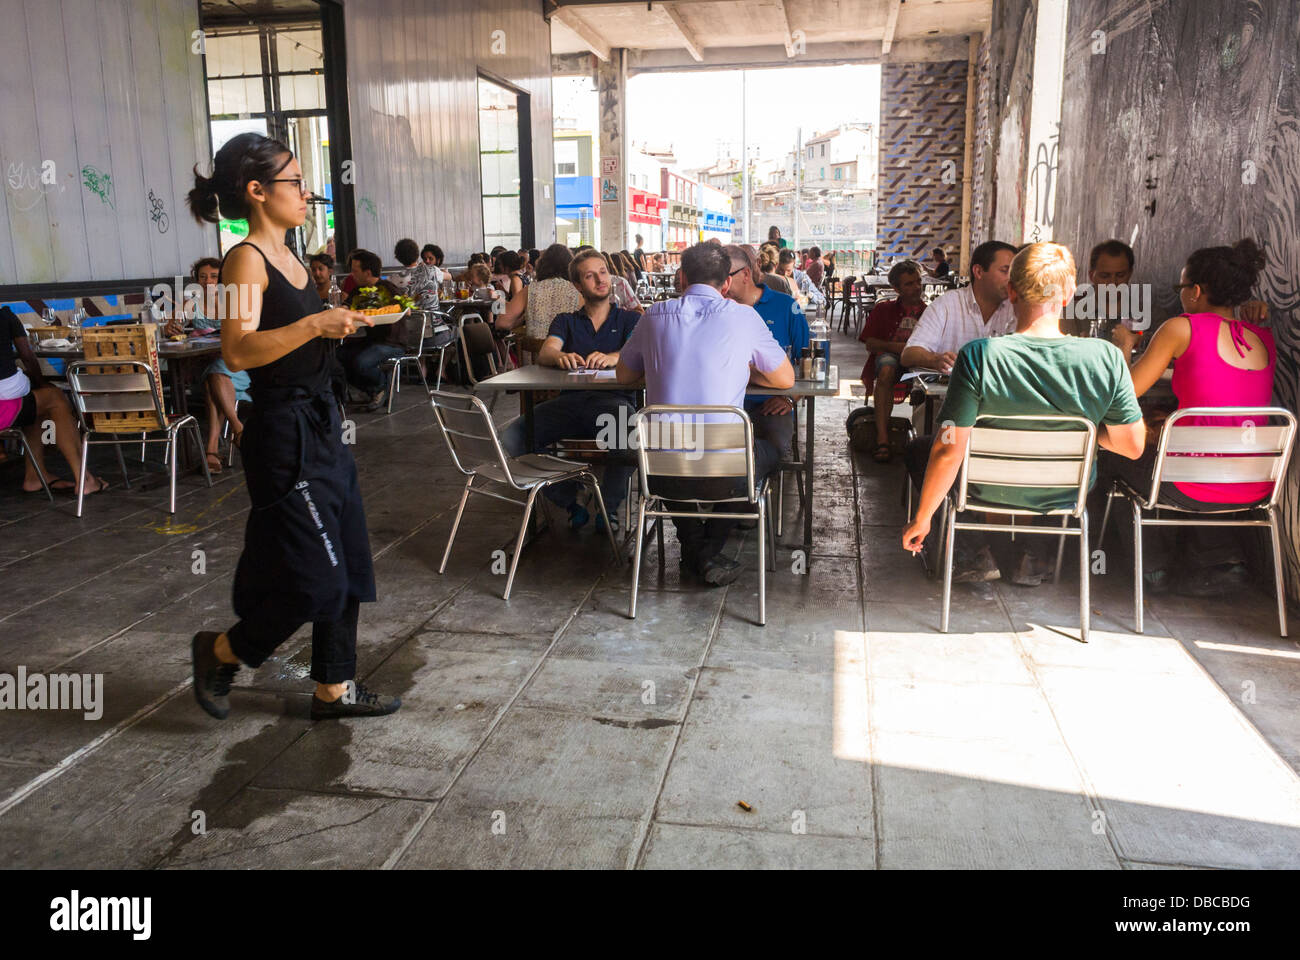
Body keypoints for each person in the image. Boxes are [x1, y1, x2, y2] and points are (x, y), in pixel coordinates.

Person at [186, 131, 399, 721]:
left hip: (324, 425)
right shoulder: (241, 261)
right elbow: (236, 350)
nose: (308, 194)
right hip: (282, 434)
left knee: (351, 562)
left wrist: (339, 325)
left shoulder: (295, 261)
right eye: (297, 183)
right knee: (319, 579)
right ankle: (223, 650)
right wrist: (313, 327)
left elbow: (299, 334)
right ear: (257, 191)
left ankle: (334, 688)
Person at [902, 242, 1145, 585]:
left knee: (919, 449)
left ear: (1011, 292)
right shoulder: (1106, 357)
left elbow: (948, 447)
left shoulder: (978, 356)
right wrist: (1088, 434)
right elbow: (1132, 447)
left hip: (985, 486)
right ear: (1069, 294)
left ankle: (973, 553)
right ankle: (1031, 556)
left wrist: (922, 517)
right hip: (1065, 491)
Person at [616, 242, 795, 585]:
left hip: (659, 472)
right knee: (770, 451)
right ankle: (706, 551)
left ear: (681, 278)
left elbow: (624, 375)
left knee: (670, 453)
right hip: (725, 474)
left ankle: (696, 548)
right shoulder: (744, 316)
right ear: (726, 284)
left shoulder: (654, 315)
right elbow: (785, 378)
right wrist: (748, 369)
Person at [1106, 238, 1276, 594]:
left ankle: (1151, 566)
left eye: (1181, 287)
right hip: (1254, 486)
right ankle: (1217, 558)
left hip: (1192, 485)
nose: (1180, 295)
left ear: (1196, 291)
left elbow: (1124, 395)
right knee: (1177, 447)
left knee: (1112, 452)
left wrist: (1123, 348)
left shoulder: (1180, 328)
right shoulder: (1262, 336)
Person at [500, 249, 640, 532]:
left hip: (613, 403)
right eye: (590, 276)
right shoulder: (566, 320)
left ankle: (608, 508)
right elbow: (548, 351)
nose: (600, 280)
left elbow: (637, 352)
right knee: (513, 438)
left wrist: (615, 356)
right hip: (570, 404)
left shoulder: (629, 320)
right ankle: (571, 500)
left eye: (603, 272)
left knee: (627, 435)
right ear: (577, 285)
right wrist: (558, 356)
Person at [0, 305, 105, 495]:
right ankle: (85, 478)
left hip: (12, 405)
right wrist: (41, 382)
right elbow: (27, 356)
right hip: (4, 409)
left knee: (36, 402)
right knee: (54, 398)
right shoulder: (4, 315)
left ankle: (35, 476)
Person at [724, 244, 809, 462]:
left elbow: (808, 361)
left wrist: (790, 398)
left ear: (746, 274)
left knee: (776, 447)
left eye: (725, 276)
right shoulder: (717, 310)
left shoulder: (787, 306)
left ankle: (757, 489)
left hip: (771, 404)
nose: (720, 285)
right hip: (723, 404)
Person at [901, 240, 1017, 374]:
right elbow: (909, 354)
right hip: (950, 393)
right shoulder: (946, 305)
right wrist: (935, 360)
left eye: (1014, 272)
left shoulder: (1016, 309)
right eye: (1005, 271)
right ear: (978, 271)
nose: (1011, 279)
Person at [186, 257, 253, 474]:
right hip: (203, 362)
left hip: (236, 364)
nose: (208, 281)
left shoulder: (233, 302)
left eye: (214, 276)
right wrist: (172, 327)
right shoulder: (190, 304)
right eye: (202, 277)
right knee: (214, 375)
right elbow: (175, 326)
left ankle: (212, 448)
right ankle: (238, 430)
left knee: (213, 380)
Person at [859, 260, 926, 463]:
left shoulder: (930, 311)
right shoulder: (883, 310)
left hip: (921, 361)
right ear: (896, 288)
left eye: (918, 282)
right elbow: (870, 343)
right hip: (892, 358)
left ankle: (925, 439)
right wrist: (899, 348)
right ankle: (882, 438)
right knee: (887, 368)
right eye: (909, 284)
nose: (916, 288)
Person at [336, 248, 406, 411]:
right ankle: (373, 390)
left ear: (367, 273)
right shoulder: (358, 291)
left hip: (393, 343)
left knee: (361, 362)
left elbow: (405, 309)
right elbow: (345, 308)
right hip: (371, 341)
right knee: (336, 357)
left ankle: (381, 386)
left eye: (355, 270)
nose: (352, 274)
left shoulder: (387, 289)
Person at [498, 243, 582, 358]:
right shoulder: (578, 292)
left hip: (533, 366)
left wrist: (499, 299)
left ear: (543, 265)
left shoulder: (530, 290)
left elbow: (501, 323)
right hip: (570, 361)